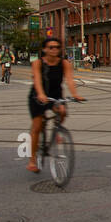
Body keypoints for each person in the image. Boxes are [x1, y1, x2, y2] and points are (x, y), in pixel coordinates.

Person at [27, 37, 84, 174]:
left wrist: (75, 94)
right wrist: (41, 94)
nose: (55, 50)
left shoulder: (64, 63)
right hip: (38, 95)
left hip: (55, 94)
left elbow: (70, 80)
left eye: (57, 47)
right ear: (44, 49)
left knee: (62, 111)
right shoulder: (37, 63)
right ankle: (32, 160)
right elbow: (38, 81)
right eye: (51, 47)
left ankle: (56, 129)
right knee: (37, 125)